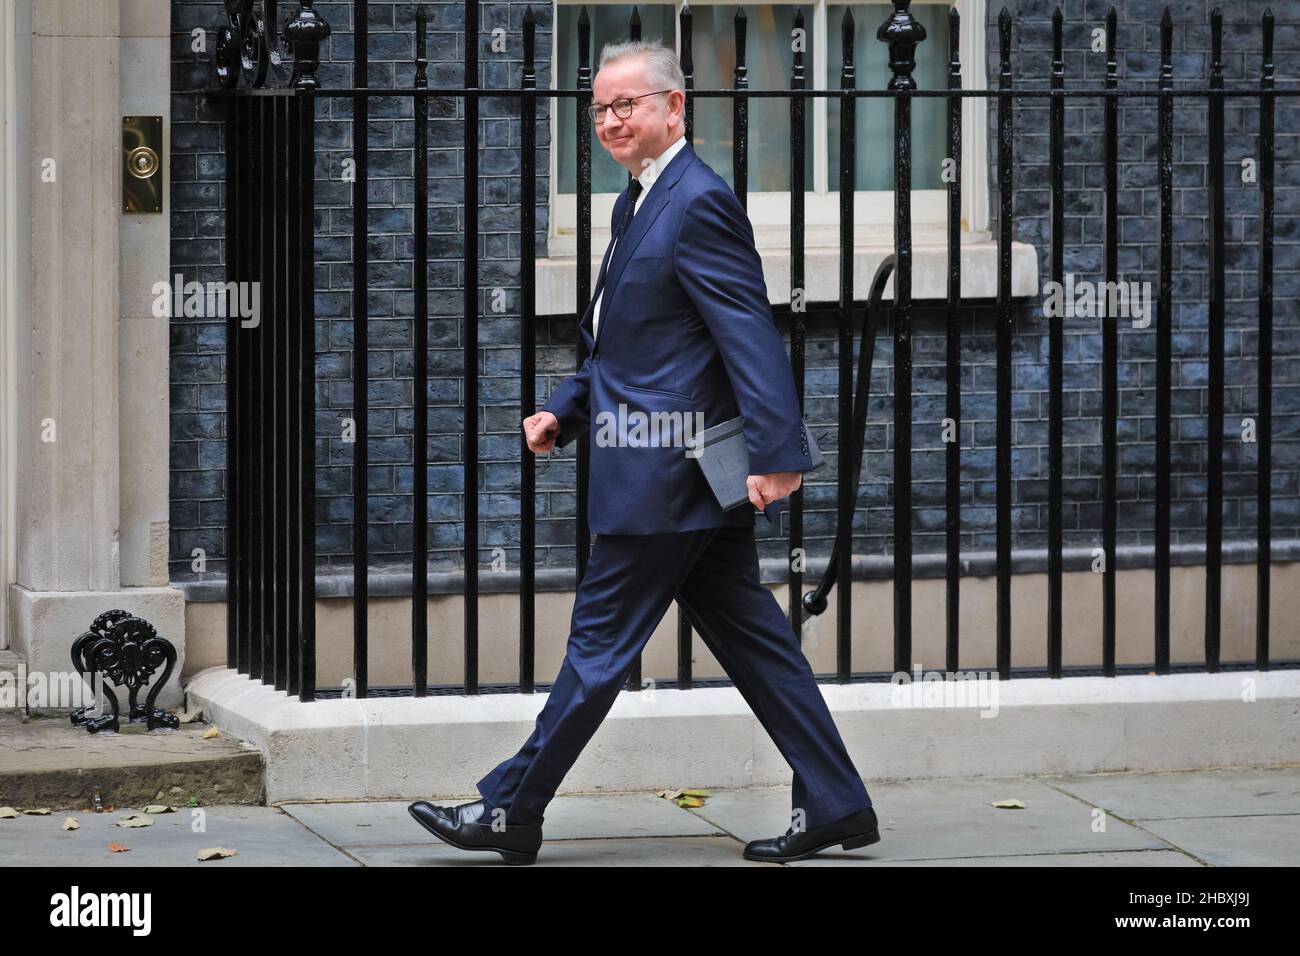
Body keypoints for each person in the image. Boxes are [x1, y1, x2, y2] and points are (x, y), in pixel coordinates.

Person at [409, 38, 877, 865]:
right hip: (674, 471)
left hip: (667, 474)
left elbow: (750, 338)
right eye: (600, 108)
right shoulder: (639, 202)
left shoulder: (697, 200)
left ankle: (510, 809)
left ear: (674, 107)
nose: (611, 120)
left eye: (627, 103)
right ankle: (837, 801)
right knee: (757, 643)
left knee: (596, 646)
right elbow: (630, 348)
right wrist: (565, 408)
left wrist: (779, 454)